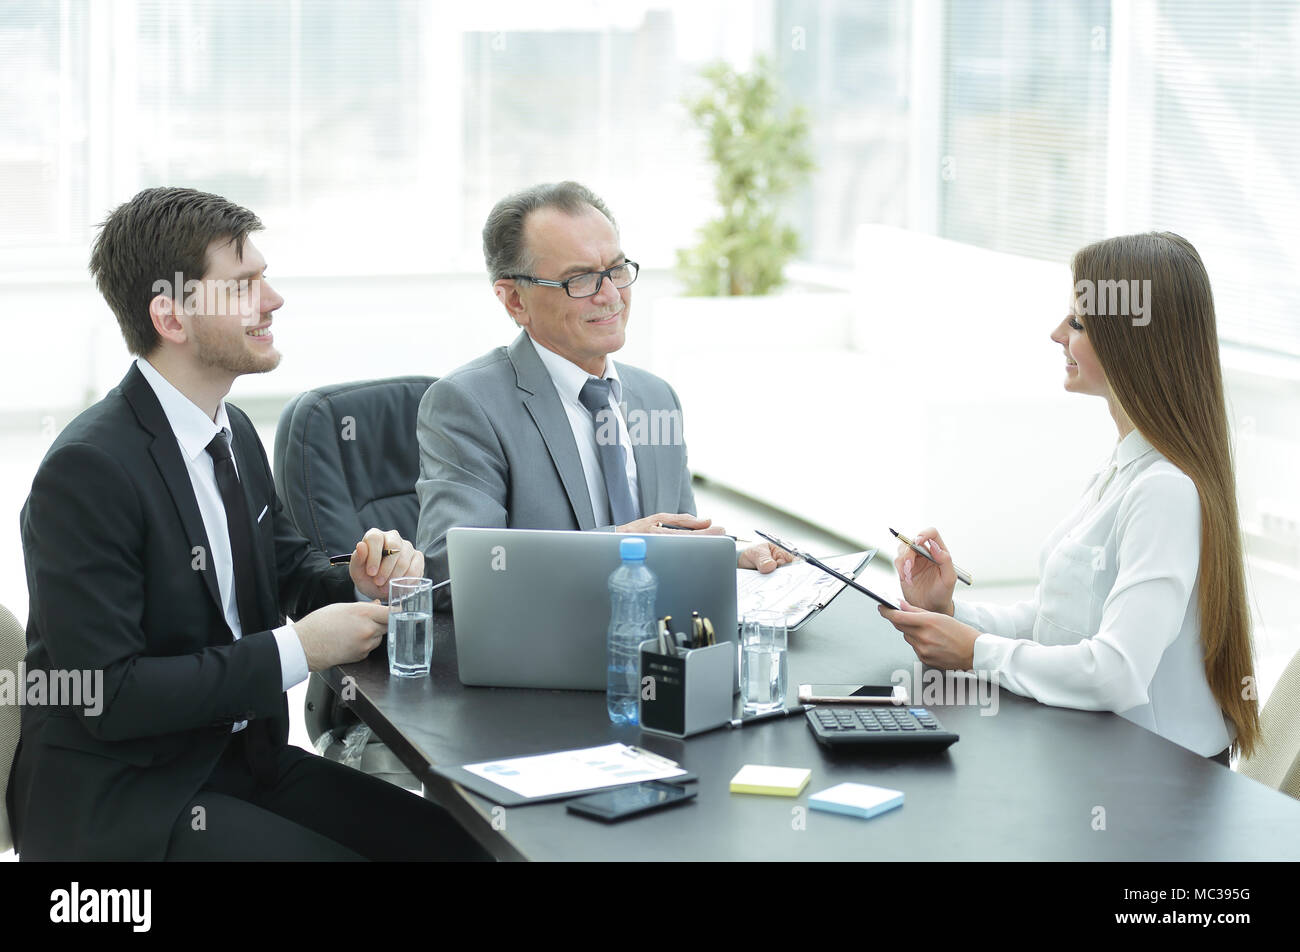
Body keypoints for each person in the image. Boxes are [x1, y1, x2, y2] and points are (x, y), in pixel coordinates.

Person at [7, 187, 491, 860]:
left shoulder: (229, 428)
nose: (273, 300)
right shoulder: (88, 472)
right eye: (243, 285)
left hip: (242, 764)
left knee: (463, 844)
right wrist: (300, 648)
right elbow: (110, 695)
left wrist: (367, 579)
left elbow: (289, 572)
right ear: (172, 318)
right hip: (127, 799)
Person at [878, 232, 1259, 764]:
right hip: (1102, 758)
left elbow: (1117, 671)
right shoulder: (1122, 471)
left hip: (1156, 785)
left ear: (1133, 342)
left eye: (1078, 323)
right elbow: (1058, 623)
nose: (1057, 333)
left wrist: (975, 652)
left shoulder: (1165, 492)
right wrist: (950, 612)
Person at [415, 181, 791, 598]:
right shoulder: (468, 404)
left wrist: (728, 553)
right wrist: (622, 547)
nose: (611, 296)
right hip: (550, 651)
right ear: (515, 300)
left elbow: (676, 538)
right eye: (580, 279)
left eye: (615, 270)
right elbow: (452, 572)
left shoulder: (655, 398)